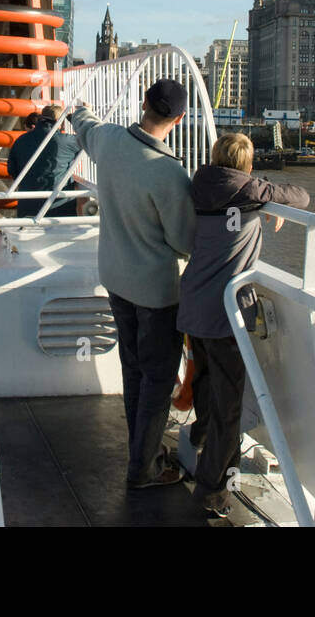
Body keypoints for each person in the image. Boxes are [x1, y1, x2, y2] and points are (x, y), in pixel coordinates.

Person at [70, 79, 196, 488]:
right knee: (158, 380)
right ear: (177, 120)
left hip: (116, 280)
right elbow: (184, 242)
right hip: (157, 294)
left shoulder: (107, 140)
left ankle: (143, 451)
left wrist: (79, 109)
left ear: (143, 104)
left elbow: (86, 126)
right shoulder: (169, 173)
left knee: (133, 370)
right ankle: (143, 469)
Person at [177, 131, 310, 516]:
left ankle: (200, 437)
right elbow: (300, 195)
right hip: (226, 314)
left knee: (204, 381)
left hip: (193, 305)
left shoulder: (198, 183)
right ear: (247, 165)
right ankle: (211, 491)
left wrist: (263, 201)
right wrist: (269, 203)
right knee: (229, 406)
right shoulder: (250, 191)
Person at [6, 105, 79, 218]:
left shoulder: (20, 141)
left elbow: (12, 169)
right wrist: (76, 120)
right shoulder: (66, 141)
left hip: (27, 206)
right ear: (60, 122)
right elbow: (89, 139)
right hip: (59, 207)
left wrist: (28, 183)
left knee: (27, 235)